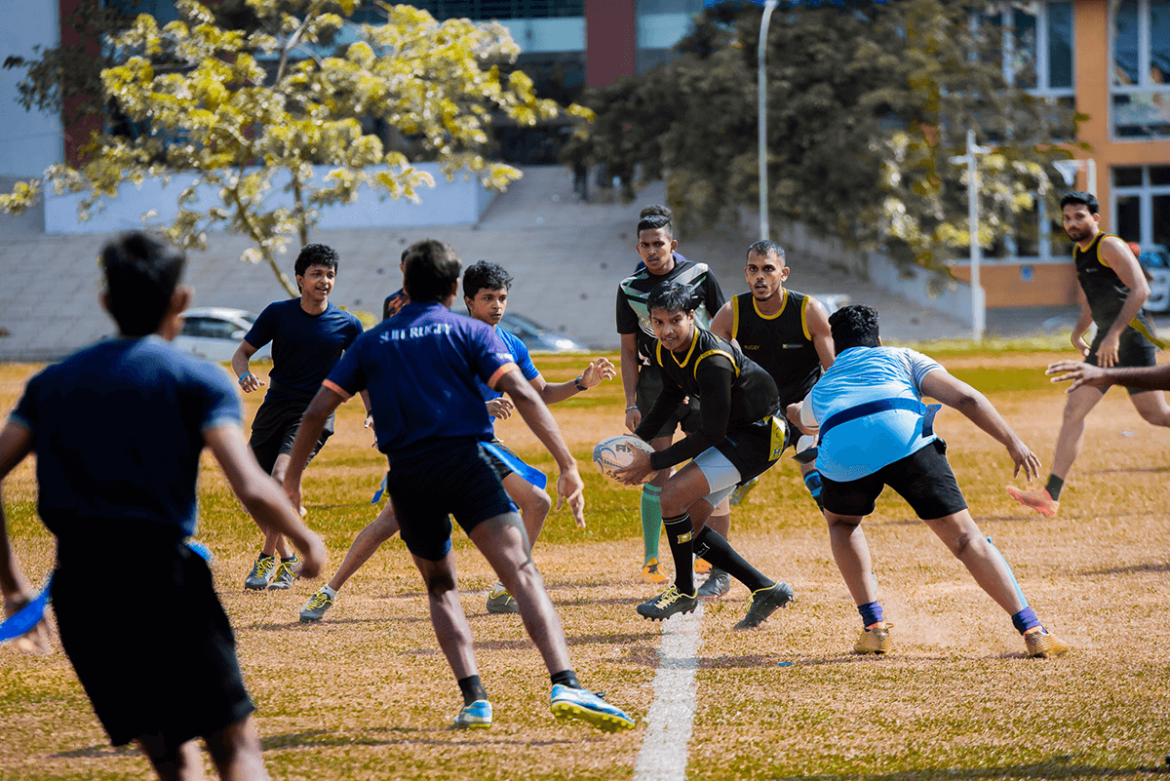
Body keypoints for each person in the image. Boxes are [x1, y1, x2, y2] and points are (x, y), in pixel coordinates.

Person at [0, 232, 327, 781]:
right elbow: (249, 483)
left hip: (83, 594)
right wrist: (305, 539)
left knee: (171, 758)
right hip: (166, 583)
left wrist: (12, 585)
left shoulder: (51, 384)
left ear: (105, 302)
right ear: (181, 300)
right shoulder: (196, 379)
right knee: (236, 746)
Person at [282, 240, 634, 732]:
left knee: (441, 588)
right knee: (521, 572)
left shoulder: (372, 341)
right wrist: (565, 462)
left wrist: (293, 479)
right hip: (466, 464)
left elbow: (318, 409)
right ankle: (565, 681)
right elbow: (526, 397)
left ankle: (475, 699)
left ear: (405, 285)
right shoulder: (471, 332)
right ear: (454, 289)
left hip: (408, 475)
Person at [298, 259, 616, 620]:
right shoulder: (447, 337)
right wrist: (480, 405)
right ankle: (329, 590)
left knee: (537, 503)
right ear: (468, 301)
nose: (497, 306)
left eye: (502, 298)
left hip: (478, 446)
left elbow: (539, 394)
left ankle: (504, 589)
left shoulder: (510, 342)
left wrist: (581, 383)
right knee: (389, 523)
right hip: (434, 443)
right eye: (488, 298)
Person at [805, 304, 1069, 658]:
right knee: (965, 538)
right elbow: (966, 398)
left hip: (844, 450)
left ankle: (874, 628)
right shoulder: (900, 357)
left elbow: (806, 420)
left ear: (835, 349)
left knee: (842, 523)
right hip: (904, 438)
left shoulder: (824, 383)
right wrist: (1012, 441)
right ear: (879, 340)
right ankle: (1033, 630)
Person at [614, 282, 796, 629]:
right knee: (691, 531)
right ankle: (766, 588)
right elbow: (670, 393)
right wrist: (639, 439)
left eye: (675, 320)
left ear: (693, 317)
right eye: (658, 322)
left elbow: (711, 433)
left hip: (759, 436)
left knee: (671, 496)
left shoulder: (713, 360)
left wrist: (651, 462)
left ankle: (684, 590)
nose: (666, 330)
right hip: (737, 434)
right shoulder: (664, 348)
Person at [1007, 192, 1170, 518]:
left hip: (1131, 339)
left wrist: (1113, 336)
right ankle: (1049, 496)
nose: (1072, 223)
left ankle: (1050, 494)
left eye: (1079, 216)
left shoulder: (1109, 245)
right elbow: (1093, 299)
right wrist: (1078, 332)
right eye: (1067, 218)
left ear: (1095, 218)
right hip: (1105, 343)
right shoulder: (1080, 252)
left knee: (1156, 415)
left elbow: (1141, 290)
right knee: (1073, 411)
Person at [232, 244, 367, 591]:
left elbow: (364, 373)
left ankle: (264, 560)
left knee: (279, 478)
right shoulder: (278, 314)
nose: (324, 281)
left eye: (330, 275)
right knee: (251, 494)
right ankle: (289, 559)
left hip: (314, 415)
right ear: (300, 279)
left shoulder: (347, 325)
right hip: (273, 409)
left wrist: (373, 411)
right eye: (316, 274)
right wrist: (244, 374)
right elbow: (241, 354)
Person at [707, 240, 835, 598]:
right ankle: (719, 573)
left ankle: (847, 541)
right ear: (746, 273)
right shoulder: (732, 312)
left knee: (817, 476)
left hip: (804, 407)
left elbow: (834, 372)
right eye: (753, 269)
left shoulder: (809, 310)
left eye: (767, 269)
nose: (760, 276)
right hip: (757, 413)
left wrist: (821, 415)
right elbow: (711, 365)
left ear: (783, 273)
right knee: (716, 486)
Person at [617, 209, 727, 585]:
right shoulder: (629, 288)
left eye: (658, 243)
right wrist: (631, 401)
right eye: (645, 245)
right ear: (638, 247)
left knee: (709, 463)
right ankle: (652, 558)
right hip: (655, 383)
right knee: (657, 467)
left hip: (701, 376)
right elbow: (628, 351)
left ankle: (704, 555)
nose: (652, 250)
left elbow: (725, 323)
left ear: (672, 245)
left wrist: (728, 377)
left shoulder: (699, 274)